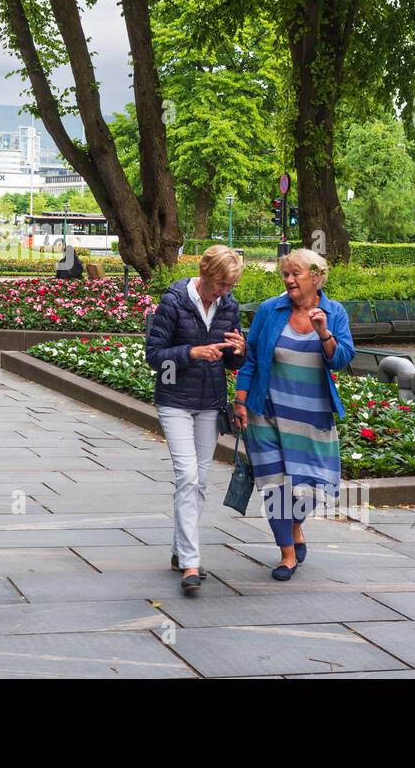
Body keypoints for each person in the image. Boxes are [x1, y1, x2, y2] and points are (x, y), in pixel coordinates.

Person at [234, 248, 355, 582]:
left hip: (312, 417)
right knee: (273, 485)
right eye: (285, 274)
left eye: (295, 274)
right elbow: (252, 359)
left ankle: (296, 526)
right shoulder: (269, 310)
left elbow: (342, 359)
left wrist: (323, 332)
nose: (288, 280)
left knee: (312, 487)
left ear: (315, 277)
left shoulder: (334, 312)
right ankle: (286, 553)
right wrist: (240, 401)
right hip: (266, 412)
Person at [145, 245, 246, 596]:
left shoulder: (228, 306)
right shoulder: (173, 300)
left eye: (229, 286)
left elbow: (232, 365)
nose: (224, 291)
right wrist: (190, 353)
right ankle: (191, 561)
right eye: (220, 283)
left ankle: (179, 549)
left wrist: (239, 350)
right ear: (204, 271)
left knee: (199, 480)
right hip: (174, 398)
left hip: (210, 402)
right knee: (186, 475)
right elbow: (154, 357)